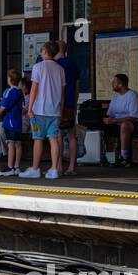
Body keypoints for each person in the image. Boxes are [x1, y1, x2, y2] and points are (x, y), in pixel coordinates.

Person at [21, 41, 66, 179]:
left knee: (38, 138)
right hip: (55, 110)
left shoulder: (38, 67)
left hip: (39, 110)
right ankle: (54, 169)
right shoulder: (60, 69)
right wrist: (61, 110)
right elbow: (62, 93)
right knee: (53, 139)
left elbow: (34, 89)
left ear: (46, 52)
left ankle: (35, 168)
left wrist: (30, 108)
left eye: (42, 50)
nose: (41, 52)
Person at [103, 73, 138, 168]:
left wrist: (115, 121)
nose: (112, 83)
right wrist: (107, 120)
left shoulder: (132, 96)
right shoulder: (115, 96)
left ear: (121, 84)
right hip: (119, 123)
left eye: (114, 82)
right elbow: (110, 114)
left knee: (125, 125)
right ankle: (105, 156)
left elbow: (134, 117)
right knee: (102, 126)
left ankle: (124, 158)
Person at [55, 40, 82, 176]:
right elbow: (77, 85)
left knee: (58, 135)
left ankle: (59, 166)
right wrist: (75, 102)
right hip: (71, 103)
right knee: (72, 135)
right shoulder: (73, 64)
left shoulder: (56, 65)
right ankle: (72, 167)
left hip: (59, 103)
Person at [0, 69, 25, 177]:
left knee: (10, 143)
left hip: (10, 121)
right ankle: (16, 167)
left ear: (10, 79)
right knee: (18, 144)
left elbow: (3, 106)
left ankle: (10, 167)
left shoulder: (9, 91)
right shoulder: (20, 92)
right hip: (18, 121)